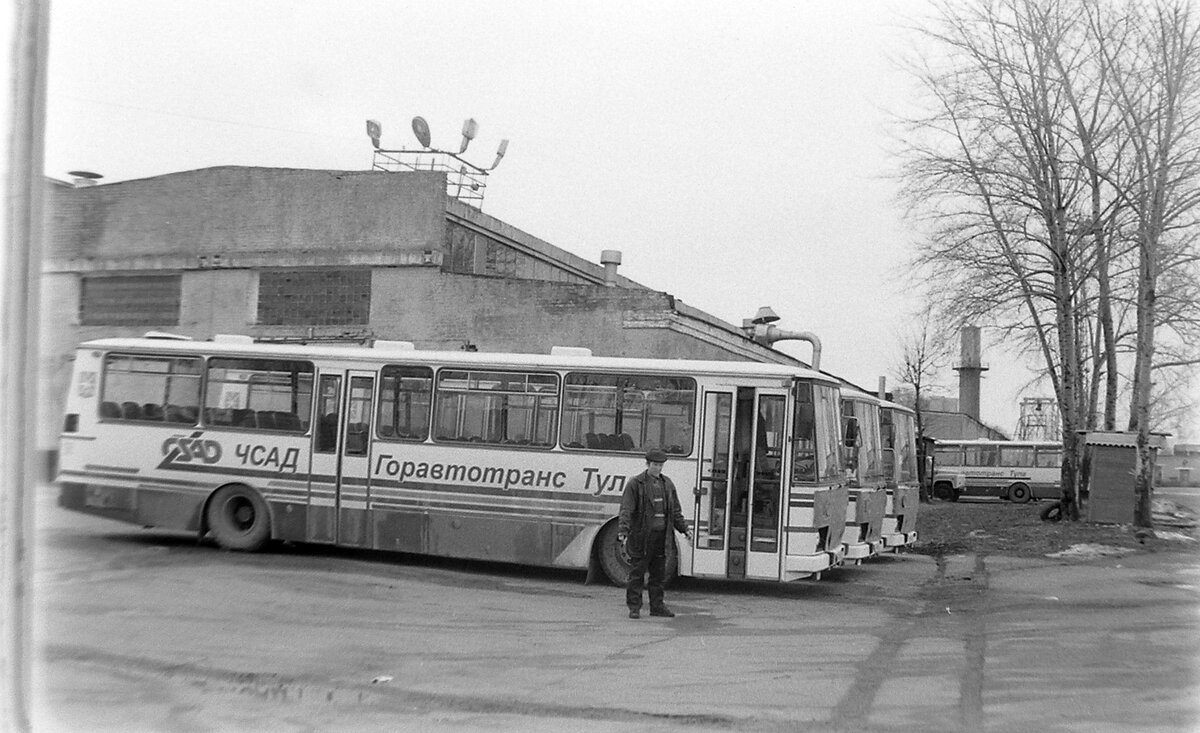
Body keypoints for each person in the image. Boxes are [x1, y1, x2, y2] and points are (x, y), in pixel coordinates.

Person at [618, 448, 693, 619]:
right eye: (655, 465)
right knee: (637, 574)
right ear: (647, 464)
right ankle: (634, 607)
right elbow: (626, 510)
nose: (658, 468)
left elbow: (675, 511)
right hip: (642, 537)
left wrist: (685, 530)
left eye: (660, 465)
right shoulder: (635, 484)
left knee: (658, 575)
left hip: (662, 536)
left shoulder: (668, 484)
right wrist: (623, 530)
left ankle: (657, 606)